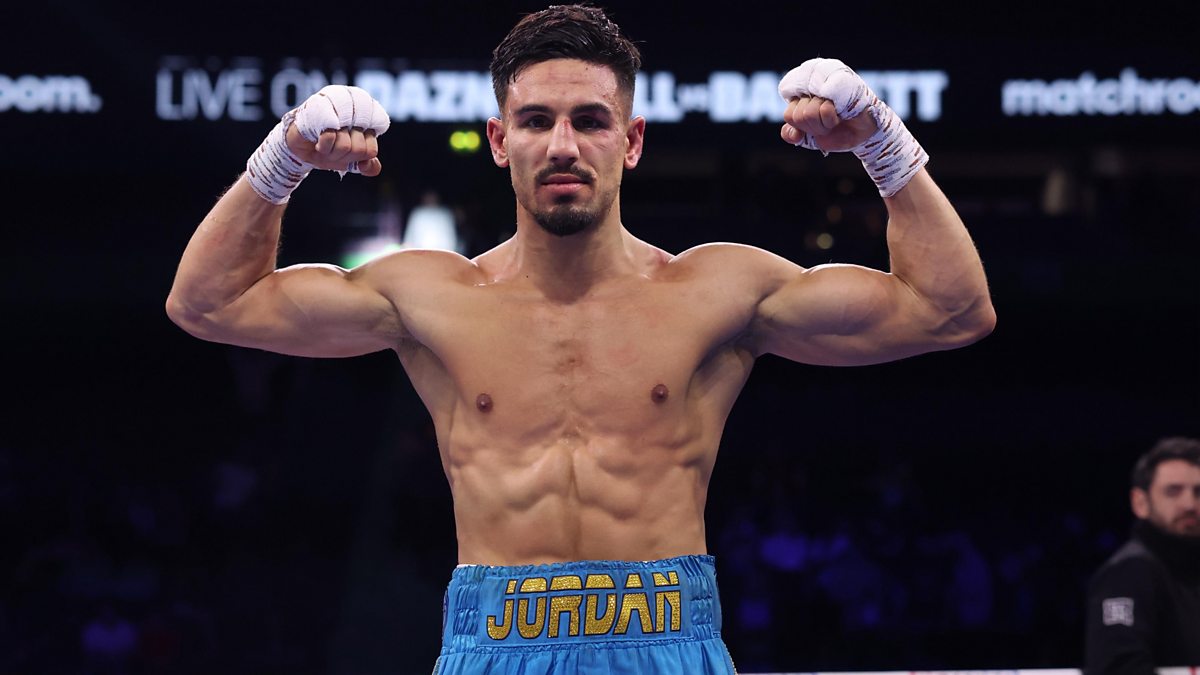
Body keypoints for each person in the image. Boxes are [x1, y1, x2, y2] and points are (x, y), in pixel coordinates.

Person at [166, 5, 995, 673]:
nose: (563, 144)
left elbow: (951, 312)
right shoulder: (430, 293)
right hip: (493, 647)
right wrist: (280, 161)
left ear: (630, 142)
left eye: (591, 120)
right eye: (535, 120)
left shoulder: (717, 290)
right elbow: (209, 304)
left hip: (668, 642)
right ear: (501, 141)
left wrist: (886, 149)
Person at [1085, 437, 1200, 675]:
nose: (1190, 504)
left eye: (1199, 492)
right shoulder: (1130, 573)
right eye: (1173, 491)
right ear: (1141, 502)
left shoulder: (1189, 574)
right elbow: (1117, 669)